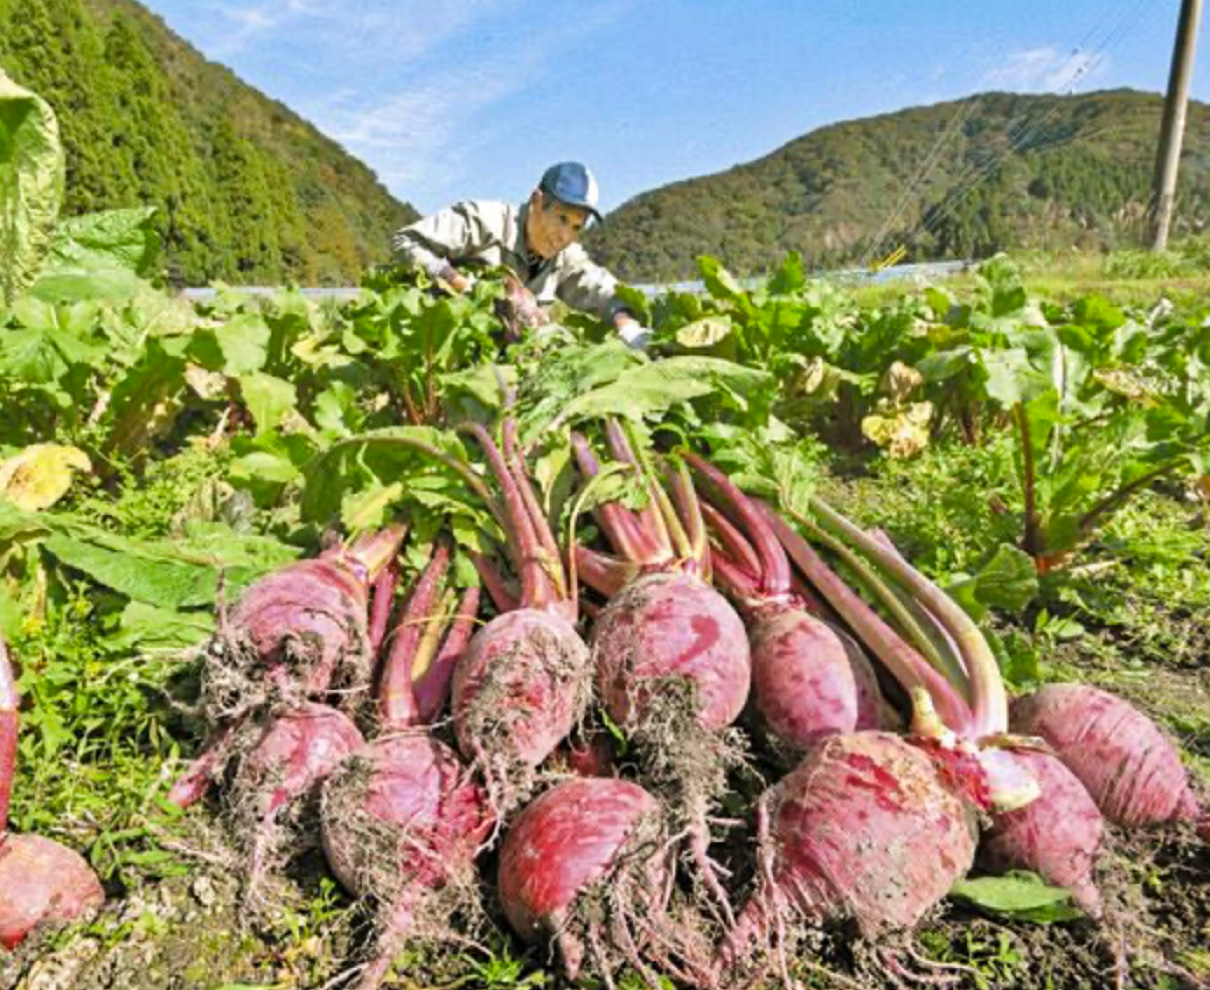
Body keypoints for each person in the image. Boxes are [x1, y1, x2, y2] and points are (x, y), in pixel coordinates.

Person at [391, 161, 652, 348]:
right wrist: (457, 281)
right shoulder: (484, 221)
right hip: (439, 345)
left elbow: (602, 291)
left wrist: (626, 324)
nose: (565, 236)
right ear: (537, 202)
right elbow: (405, 241)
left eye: (576, 226)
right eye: (561, 218)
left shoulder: (566, 256)